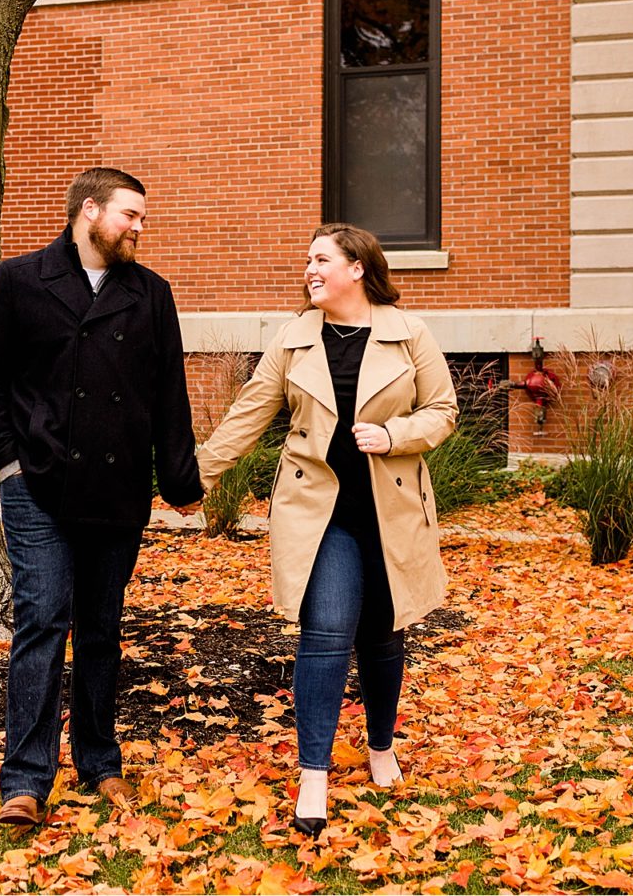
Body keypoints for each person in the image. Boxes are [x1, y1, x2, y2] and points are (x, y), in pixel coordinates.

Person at [196, 223, 458, 836]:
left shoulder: (408, 332)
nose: (309, 269)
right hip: (321, 511)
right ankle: (313, 774)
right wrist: (197, 478)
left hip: (390, 508)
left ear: (357, 267)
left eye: (321, 259)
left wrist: (395, 436)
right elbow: (249, 414)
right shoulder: (293, 340)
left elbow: (442, 410)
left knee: (383, 633)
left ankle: (381, 745)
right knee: (327, 629)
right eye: (307, 260)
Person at [0, 167, 203, 829]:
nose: (139, 227)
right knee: (42, 619)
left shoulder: (151, 293)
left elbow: (168, 396)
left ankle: (100, 761)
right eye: (131, 214)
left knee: (101, 629)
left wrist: (180, 481)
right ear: (89, 209)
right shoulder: (21, 279)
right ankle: (25, 778)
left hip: (118, 488)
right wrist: (7, 464)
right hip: (37, 485)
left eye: (143, 218)